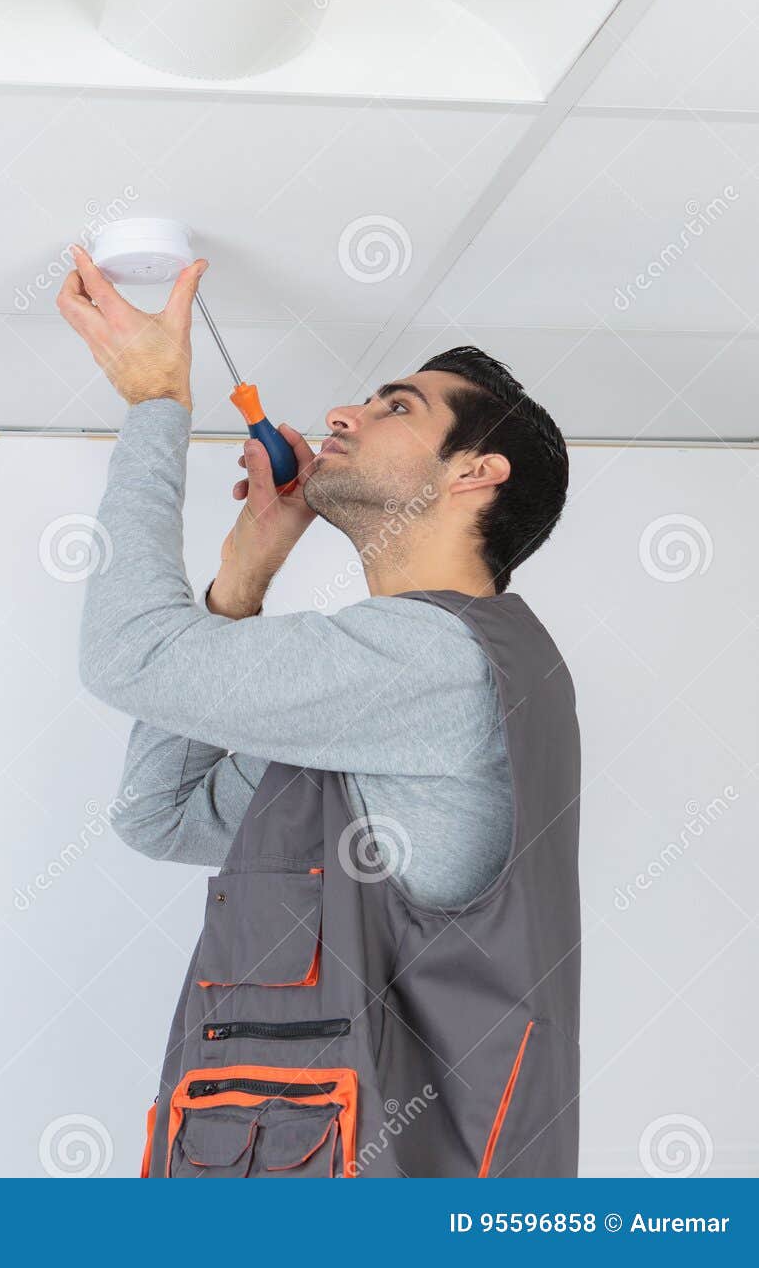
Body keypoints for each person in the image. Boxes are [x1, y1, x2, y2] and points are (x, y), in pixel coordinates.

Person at [58, 245, 580, 1180]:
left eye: (395, 407)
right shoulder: (380, 693)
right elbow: (162, 816)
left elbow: (126, 655)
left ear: (475, 473)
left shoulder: (430, 661)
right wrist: (246, 570)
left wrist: (154, 408)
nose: (343, 413)